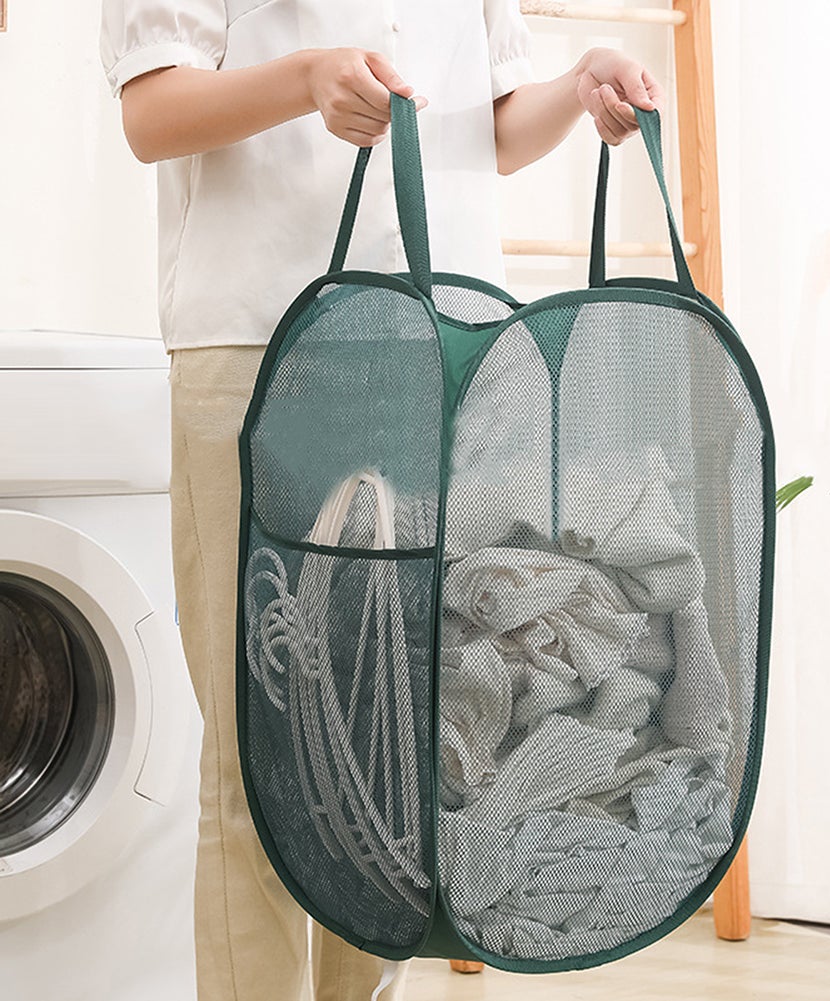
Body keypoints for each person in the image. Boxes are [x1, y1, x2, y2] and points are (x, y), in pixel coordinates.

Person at [99, 3, 664, 999]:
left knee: (382, 753)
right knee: (259, 761)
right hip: (259, 336)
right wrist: (305, 79)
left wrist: (578, 88)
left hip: (435, 341)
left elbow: (489, 130)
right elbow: (152, 111)